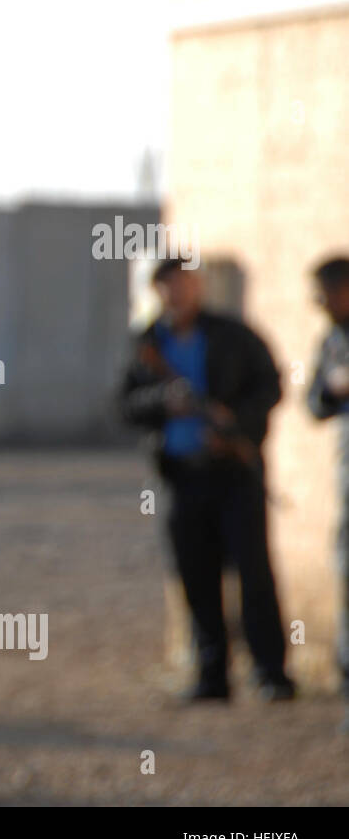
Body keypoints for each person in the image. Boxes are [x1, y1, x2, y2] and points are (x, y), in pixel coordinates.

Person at [119, 258, 293, 703]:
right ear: (159, 290)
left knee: (253, 573)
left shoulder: (232, 334)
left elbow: (270, 385)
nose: (181, 293)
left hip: (234, 473)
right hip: (182, 476)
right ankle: (212, 676)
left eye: (187, 284)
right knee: (196, 576)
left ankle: (271, 673)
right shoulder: (148, 344)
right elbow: (126, 406)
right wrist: (163, 401)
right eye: (172, 286)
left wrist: (236, 424)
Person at [305, 254, 349, 734]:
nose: (322, 303)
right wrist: (335, 392)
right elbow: (314, 403)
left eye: (329, 291)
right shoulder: (332, 342)